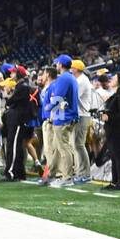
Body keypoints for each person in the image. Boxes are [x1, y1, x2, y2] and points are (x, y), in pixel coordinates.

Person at [46, 56, 79, 189]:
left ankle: (67, 177)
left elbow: (57, 98)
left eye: (57, 63)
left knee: (63, 148)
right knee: (60, 148)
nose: (56, 65)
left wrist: (48, 109)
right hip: (68, 115)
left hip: (63, 117)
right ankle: (52, 174)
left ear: (60, 64)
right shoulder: (71, 77)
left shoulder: (64, 78)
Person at [2, 70, 36, 181]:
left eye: (13, 73)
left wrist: (8, 95)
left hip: (17, 119)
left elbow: (10, 102)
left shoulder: (23, 87)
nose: (11, 75)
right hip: (17, 119)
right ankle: (19, 173)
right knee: (16, 146)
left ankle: (11, 172)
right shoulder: (22, 86)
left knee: (13, 146)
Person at [101, 73, 120, 191]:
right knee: (114, 156)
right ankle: (114, 182)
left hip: (118, 129)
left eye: (114, 78)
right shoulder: (117, 94)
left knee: (118, 155)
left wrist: (109, 117)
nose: (111, 79)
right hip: (113, 129)